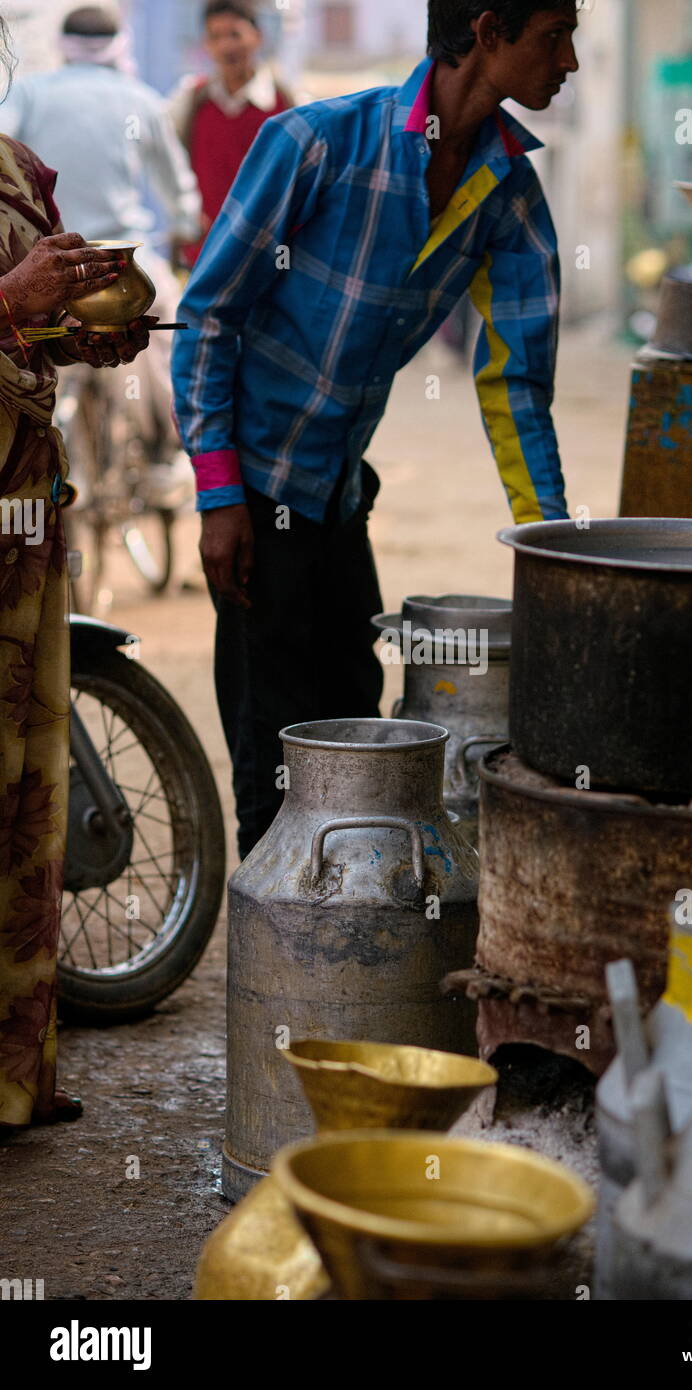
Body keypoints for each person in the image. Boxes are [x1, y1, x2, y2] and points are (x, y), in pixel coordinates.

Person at [172, 1, 578, 860]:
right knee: (272, 749)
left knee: (356, 715)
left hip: (339, 493)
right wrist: (217, 495)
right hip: (253, 494)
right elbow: (210, 315)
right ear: (488, 31)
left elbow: (513, 384)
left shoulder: (507, 191)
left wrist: (549, 549)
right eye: (553, 35)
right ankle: (269, 961)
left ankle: (341, 939)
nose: (569, 59)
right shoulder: (314, 144)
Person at [0, 9, 153, 1138]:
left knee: (25, 785)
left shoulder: (11, 165)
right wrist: (10, 306)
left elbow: (28, 335)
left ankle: (12, 1076)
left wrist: (85, 327)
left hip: (19, 513)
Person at [2, 3, 201, 505]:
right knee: (157, 328)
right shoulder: (140, 99)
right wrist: (181, 232)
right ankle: (162, 457)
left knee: (72, 338)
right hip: (117, 258)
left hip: (45, 261)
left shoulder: (27, 100)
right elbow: (180, 194)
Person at [167, 0, 293, 269]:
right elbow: (164, 161)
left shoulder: (288, 104)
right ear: (206, 44)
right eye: (216, 37)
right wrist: (184, 215)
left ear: (257, 37)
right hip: (204, 256)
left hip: (269, 258)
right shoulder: (190, 100)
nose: (226, 46)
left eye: (234, 35)